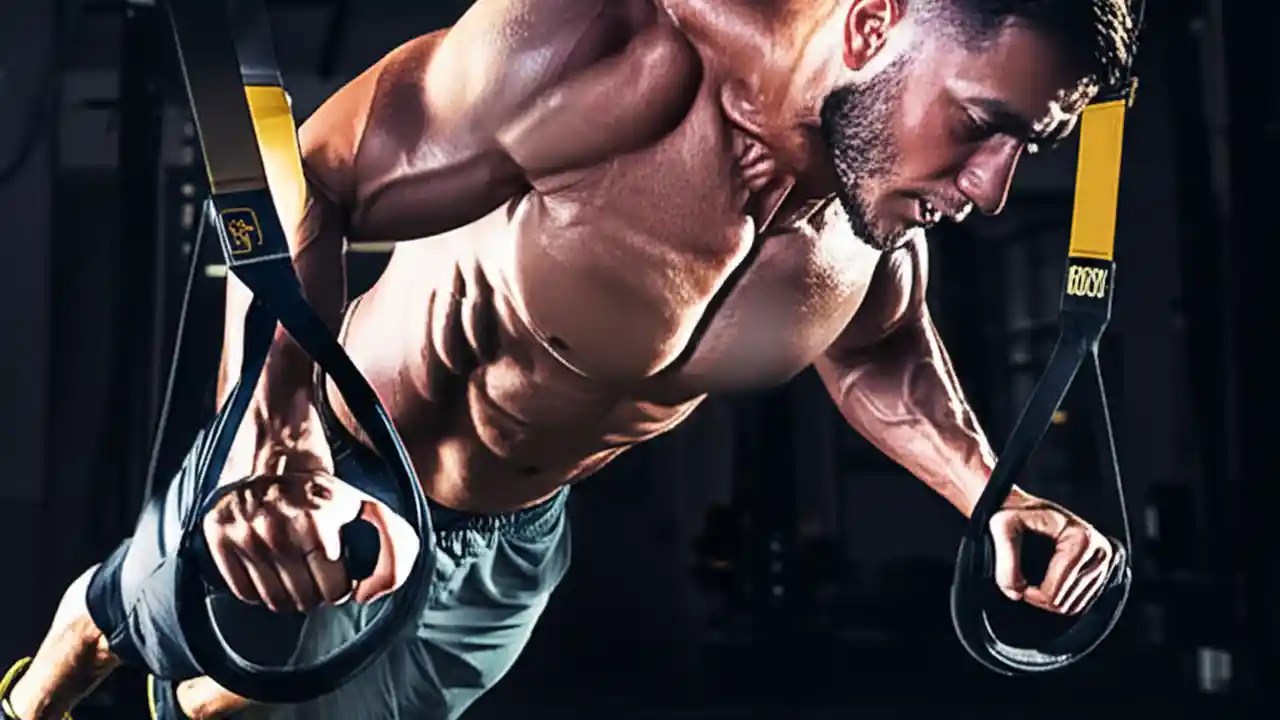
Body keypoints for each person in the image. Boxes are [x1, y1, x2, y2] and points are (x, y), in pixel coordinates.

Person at [2, 0, 1137, 718]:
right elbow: (314, 173)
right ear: (872, 22)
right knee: (124, 629)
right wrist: (275, 437)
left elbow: (881, 349)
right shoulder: (607, 52)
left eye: (1024, 148)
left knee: (293, 712)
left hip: (515, 546)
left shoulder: (875, 206)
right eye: (985, 124)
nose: (992, 192)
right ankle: (40, 690)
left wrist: (991, 497)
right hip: (343, 464)